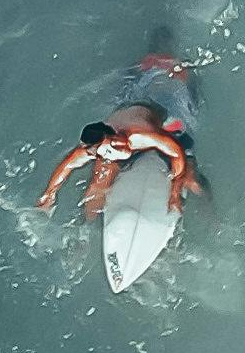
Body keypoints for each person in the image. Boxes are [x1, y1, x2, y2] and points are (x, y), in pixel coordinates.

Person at [37, 26, 211, 221]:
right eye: (108, 151)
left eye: (115, 145)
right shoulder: (94, 149)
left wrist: (175, 192)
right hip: (133, 106)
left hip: (165, 118)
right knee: (99, 179)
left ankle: (213, 220)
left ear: (117, 135)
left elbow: (176, 152)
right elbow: (67, 166)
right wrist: (48, 195)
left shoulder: (138, 135)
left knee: (192, 180)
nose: (117, 150)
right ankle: (87, 227)